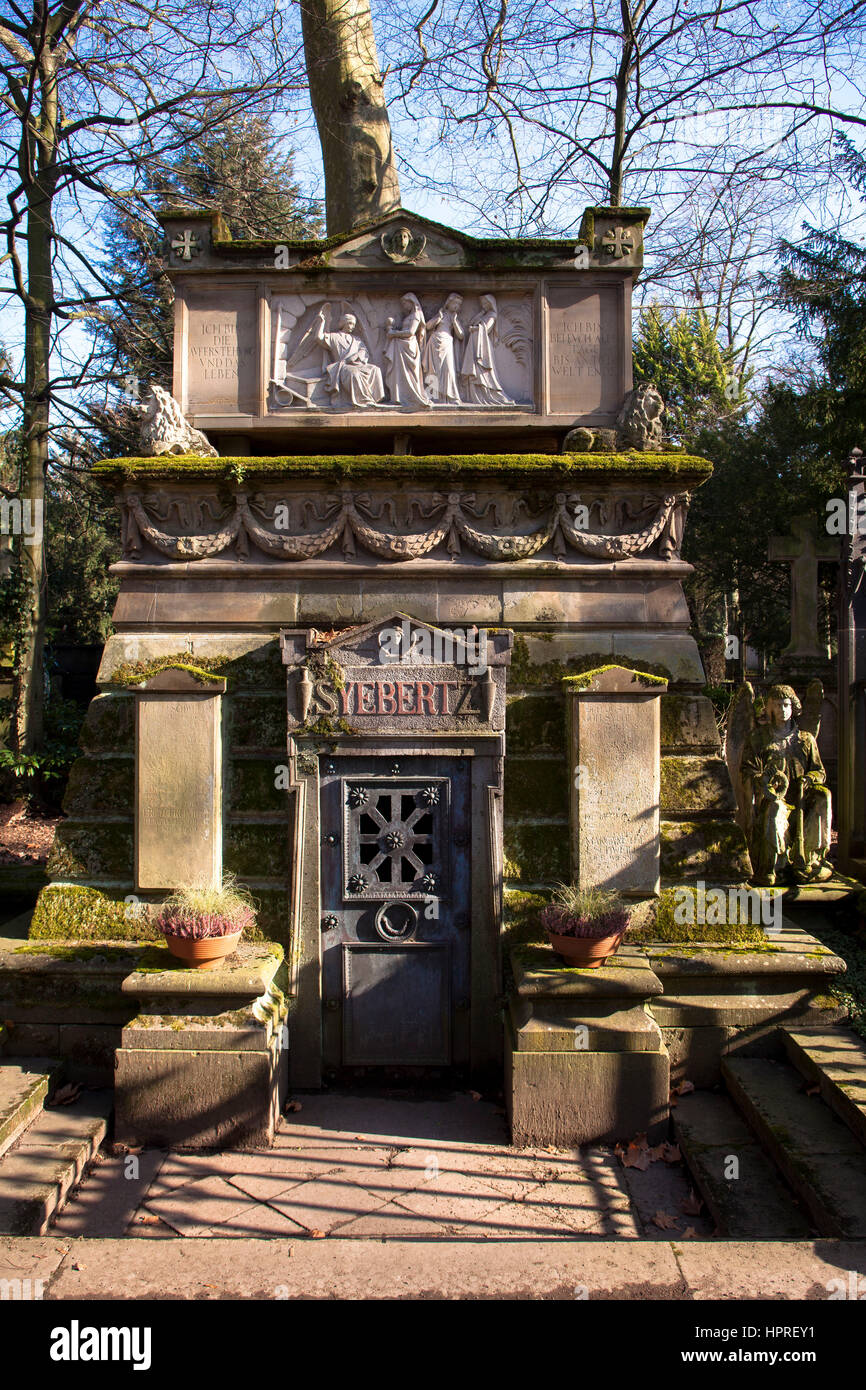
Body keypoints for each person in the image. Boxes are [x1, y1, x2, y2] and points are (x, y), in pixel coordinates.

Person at [741, 684, 833, 885]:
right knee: (774, 810)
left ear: (793, 707)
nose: (782, 710)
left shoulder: (805, 740)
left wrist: (808, 780)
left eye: (786, 705)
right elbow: (747, 770)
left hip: (803, 797)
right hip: (773, 797)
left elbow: (819, 771)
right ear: (770, 708)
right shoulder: (758, 738)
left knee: (824, 797)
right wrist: (763, 780)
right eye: (777, 705)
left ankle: (809, 859)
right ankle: (776, 866)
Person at [314, 308, 385, 408]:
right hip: (343, 366)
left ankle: (375, 398)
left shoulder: (356, 339)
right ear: (343, 323)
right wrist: (322, 322)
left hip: (357, 364)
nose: (353, 326)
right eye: (350, 323)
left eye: (354, 324)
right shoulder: (334, 337)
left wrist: (356, 356)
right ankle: (364, 400)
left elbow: (364, 351)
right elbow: (318, 338)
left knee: (375, 369)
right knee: (354, 374)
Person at [460, 293, 512, 406]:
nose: (482, 305)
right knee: (474, 369)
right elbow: (472, 322)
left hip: (482, 346)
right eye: (481, 303)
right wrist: (481, 314)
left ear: (490, 303)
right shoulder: (484, 314)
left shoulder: (493, 314)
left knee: (483, 370)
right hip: (474, 344)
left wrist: (474, 329)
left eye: (484, 303)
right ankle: (475, 395)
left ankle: (488, 394)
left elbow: (486, 328)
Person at [384, 294, 431, 408]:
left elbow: (410, 332)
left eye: (405, 303)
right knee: (399, 371)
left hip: (409, 346)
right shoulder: (409, 315)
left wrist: (394, 334)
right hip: (401, 346)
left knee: (410, 373)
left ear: (412, 302)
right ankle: (398, 396)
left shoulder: (416, 314)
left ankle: (412, 396)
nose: (404, 306)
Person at [423, 293, 464, 404]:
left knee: (448, 369)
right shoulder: (441, 313)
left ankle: (451, 397)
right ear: (449, 303)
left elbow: (461, 335)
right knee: (433, 369)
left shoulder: (454, 317)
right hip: (435, 341)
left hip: (447, 343)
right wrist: (438, 318)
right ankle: (432, 396)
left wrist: (455, 322)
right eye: (455, 303)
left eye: (459, 305)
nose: (456, 306)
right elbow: (428, 326)